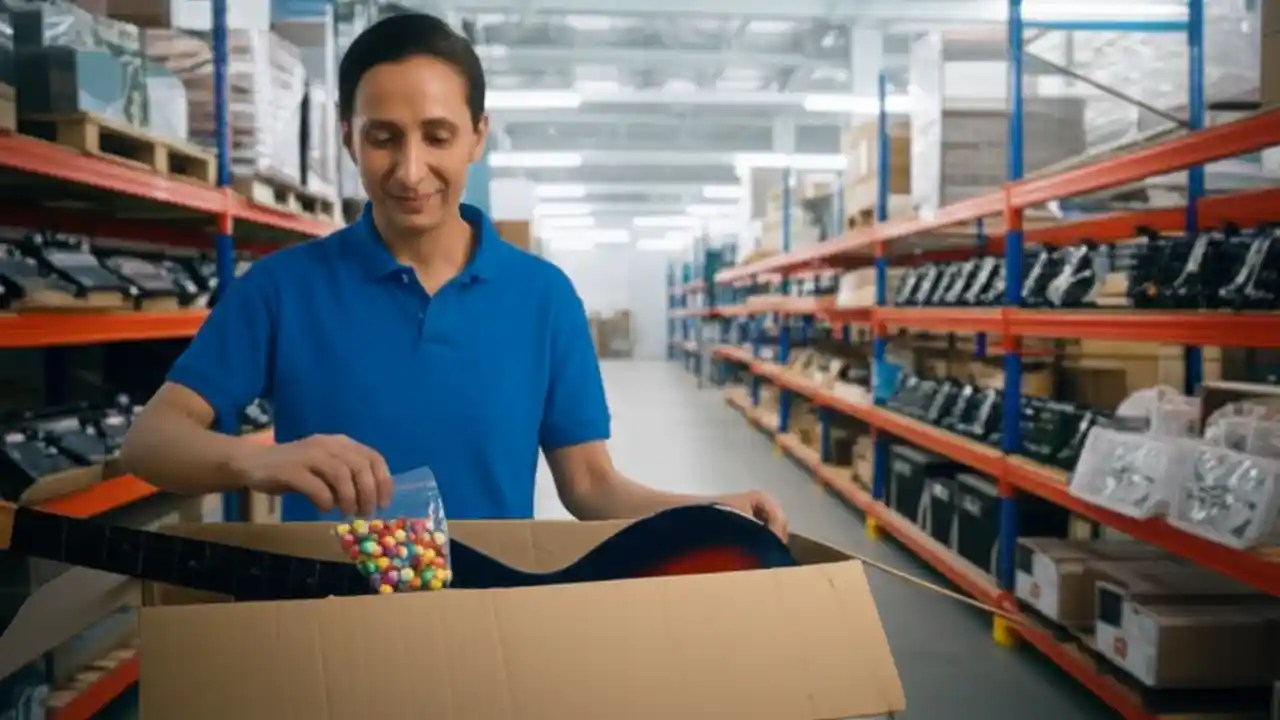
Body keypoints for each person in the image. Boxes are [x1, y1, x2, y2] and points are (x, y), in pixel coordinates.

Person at [119, 12, 789, 538]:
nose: (411, 172)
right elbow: (150, 442)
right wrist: (254, 461)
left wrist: (709, 508)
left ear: (477, 135)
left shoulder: (542, 299)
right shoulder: (281, 290)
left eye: (437, 137)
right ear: (349, 136)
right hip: (328, 624)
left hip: (485, 621)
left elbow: (591, 487)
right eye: (384, 138)